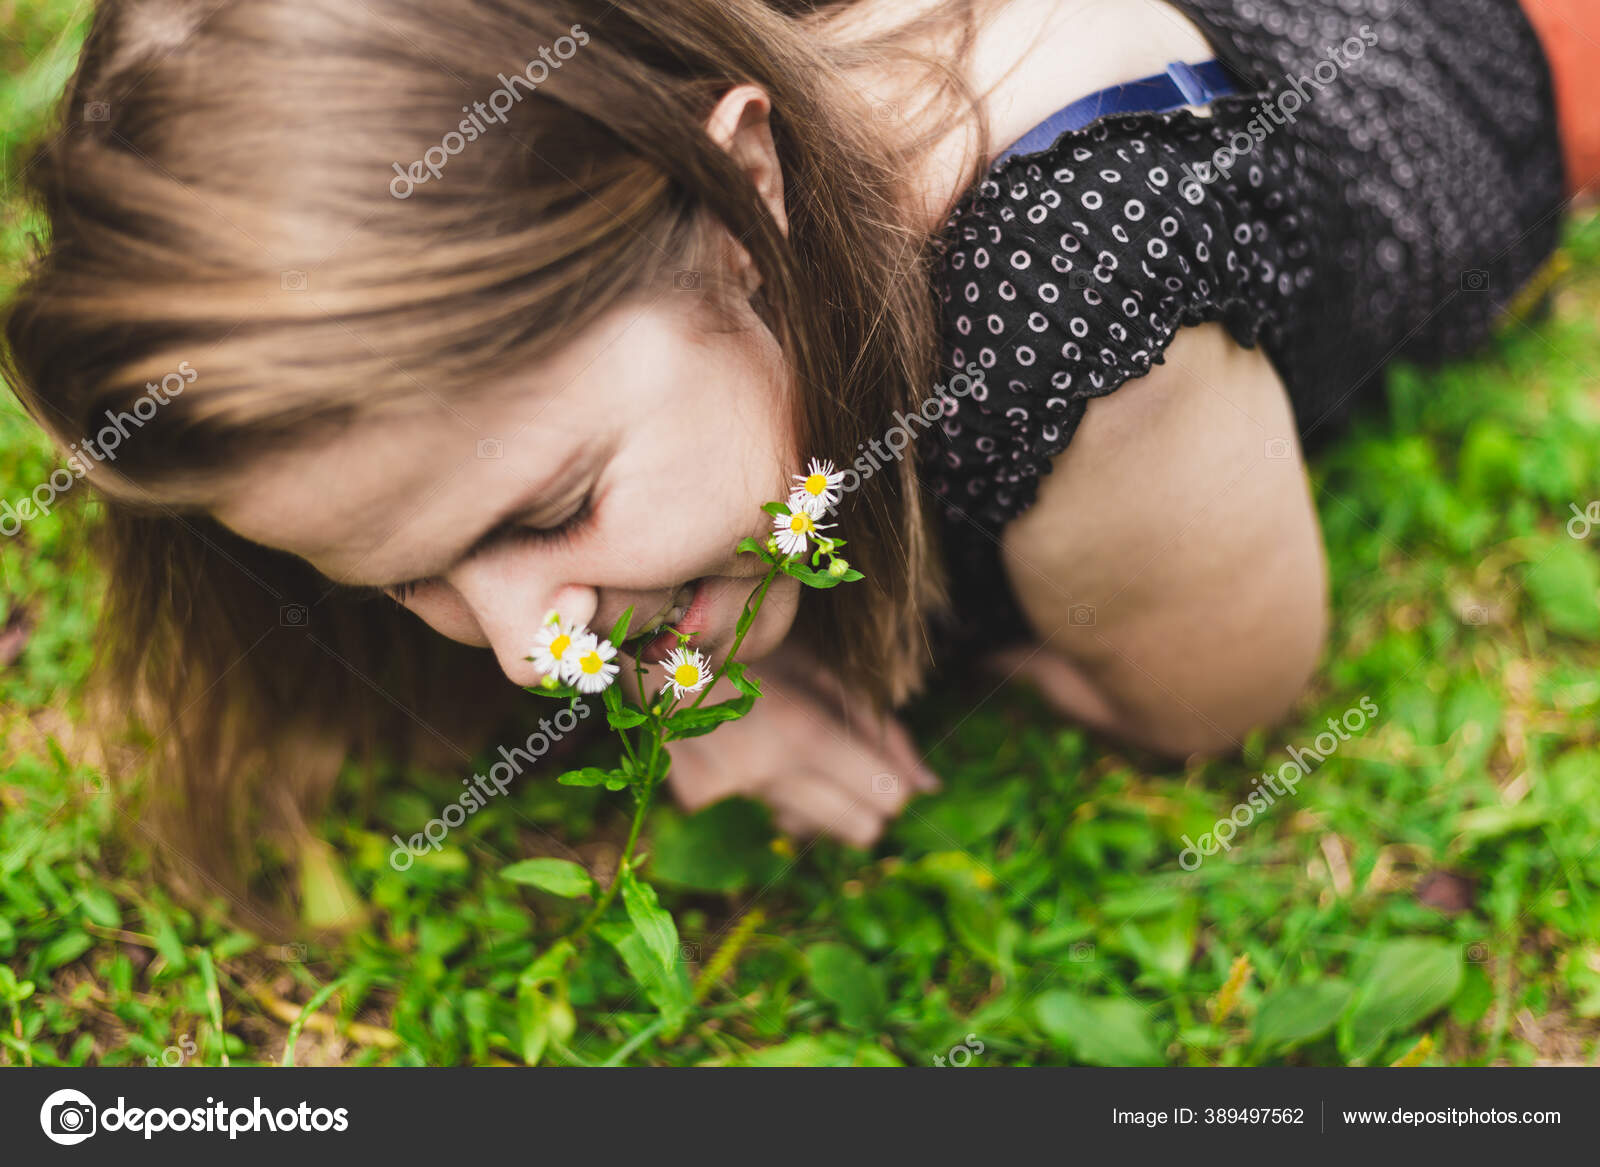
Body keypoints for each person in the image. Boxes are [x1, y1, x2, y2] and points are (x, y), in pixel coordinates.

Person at [1, 0, 1588, 887]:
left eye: (551, 508)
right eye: (399, 582)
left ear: (747, 205)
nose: (527, 656)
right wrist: (689, 687)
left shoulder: (1077, 316)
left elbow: (1220, 689)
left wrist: (825, 647)